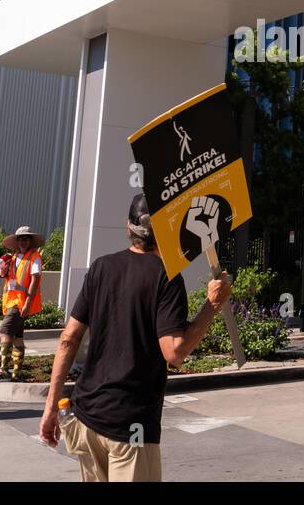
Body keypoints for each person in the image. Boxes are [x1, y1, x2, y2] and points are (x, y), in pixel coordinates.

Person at [38, 194, 231, 482]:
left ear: (128, 228)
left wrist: (50, 406)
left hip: (86, 415)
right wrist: (211, 306)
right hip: (131, 426)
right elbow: (174, 352)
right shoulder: (166, 277)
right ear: (165, 233)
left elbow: (68, 339)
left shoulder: (101, 268)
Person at [0, 226, 43, 382]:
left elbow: (35, 280)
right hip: (11, 302)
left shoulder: (35, 257)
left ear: (31, 241)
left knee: (4, 332)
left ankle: (3, 370)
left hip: (20, 303)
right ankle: (16, 373)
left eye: (26, 239)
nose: (23, 242)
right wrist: (2, 270)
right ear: (17, 242)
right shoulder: (12, 257)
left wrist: (27, 304)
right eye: (20, 239)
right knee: (17, 337)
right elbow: (4, 275)